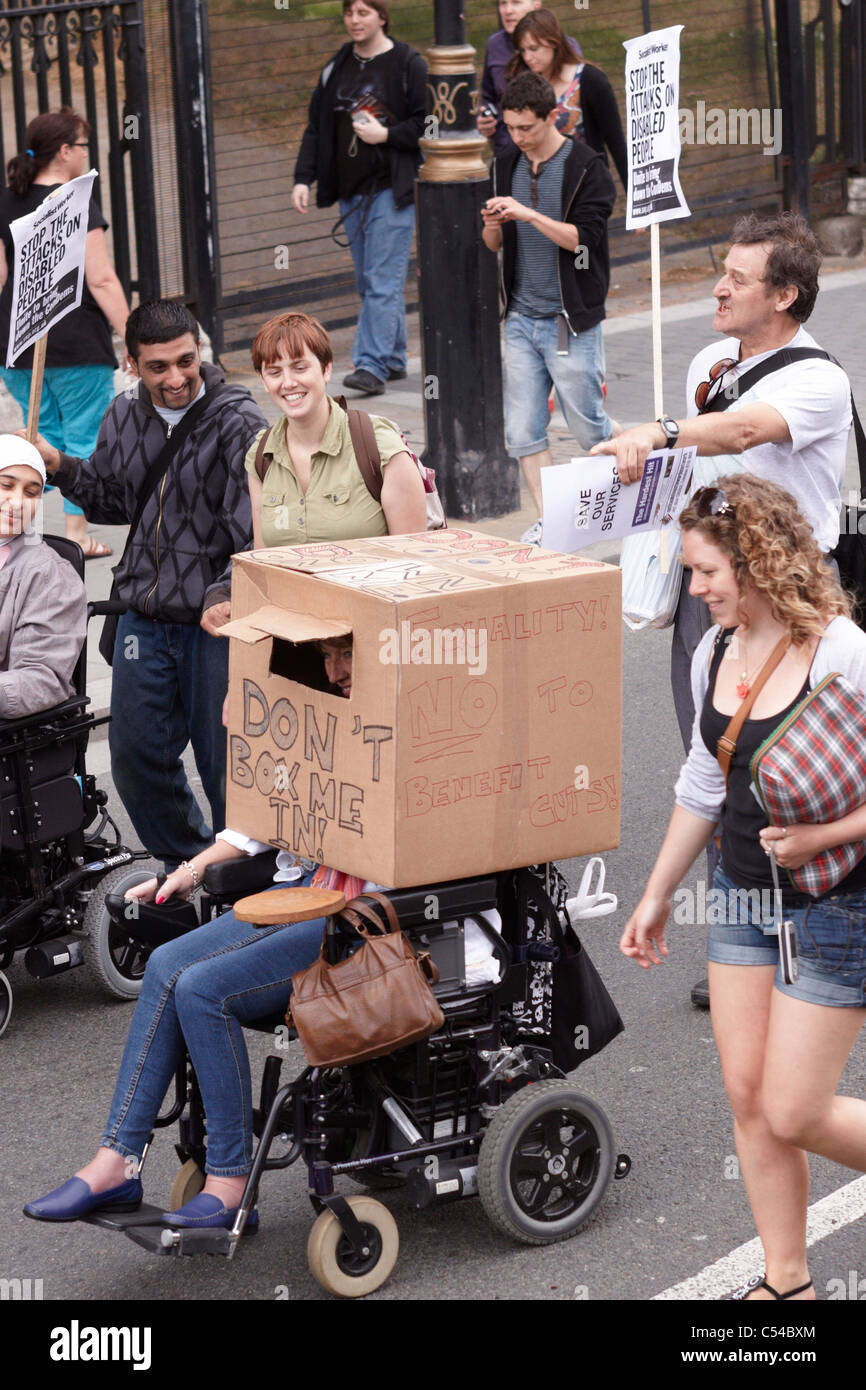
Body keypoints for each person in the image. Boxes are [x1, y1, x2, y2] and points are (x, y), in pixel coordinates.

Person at [590, 213, 852, 1005]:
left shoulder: (818, 381)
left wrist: (661, 429)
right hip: (715, 588)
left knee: (797, 768)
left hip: (793, 593)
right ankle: (741, 939)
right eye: (722, 273)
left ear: (785, 294)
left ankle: (821, 924)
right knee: (714, 758)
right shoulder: (710, 362)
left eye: (737, 279)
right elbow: (700, 454)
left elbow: (738, 433)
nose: (717, 289)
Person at [621, 474, 866, 1301]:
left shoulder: (840, 651)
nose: (694, 589)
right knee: (749, 1096)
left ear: (756, 564)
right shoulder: (714, 653)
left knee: (796, 1109)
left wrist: (821, 838)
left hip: (837, 902)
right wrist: (658, 893)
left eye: (706, 572)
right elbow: (703, 781)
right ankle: (788, 1284)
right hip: (740, 897)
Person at [22, 638, 359, 1232]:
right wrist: (189, 871)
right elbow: (262, 823)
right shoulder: (322, 717)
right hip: (297, 892)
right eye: (327, 655)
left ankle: (229, 1180)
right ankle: (118, 1161)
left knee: (202, 989)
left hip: (355, 914)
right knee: (163, 964)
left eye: (347, 654)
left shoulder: (395, 736)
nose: (335, 671)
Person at [25, 300, 267, 871]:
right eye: (158, 366)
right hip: (143, 617)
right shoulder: (122, 412)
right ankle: (189, 869)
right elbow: (113, 500)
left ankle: (245, 885)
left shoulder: (240, 421)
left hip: (215, 625)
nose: (176, 377)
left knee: (227, 769)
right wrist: (58, 464)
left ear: (199, 351)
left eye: (186, 361)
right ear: (131, 364)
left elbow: (256, 534)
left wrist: (223, 593)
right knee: (136, 762)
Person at [200, 311, 426, 635]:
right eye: (274, 371)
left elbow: (414, 566)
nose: (288, 382)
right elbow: (266, 565)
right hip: (296, 635)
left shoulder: (379, 445)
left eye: (300, 367)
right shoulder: (261, 456)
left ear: (327, 368)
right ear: (263, 380)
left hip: (372, 632)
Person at [481, 71, 617, 543]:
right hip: (520, 317)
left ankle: (642, 460)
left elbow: (583, 239)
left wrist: (528, 213)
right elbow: (493, 243)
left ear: (553, 116)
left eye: (526, 128)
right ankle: (552, 524)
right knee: (522, 429)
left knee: (588, 426)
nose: (516, 137)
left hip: (565, 319)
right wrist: (494, 225)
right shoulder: (503, 164)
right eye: (510, 127)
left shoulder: (586, 166)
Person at [0, 107, 130, 557]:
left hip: (15, 344)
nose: (85, 155)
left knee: (40, 436)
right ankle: (75, 534)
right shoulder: (75, 201)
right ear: (65, 151)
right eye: (83, 146)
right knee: (83, 438)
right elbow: (101, 278)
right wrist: (133, 338)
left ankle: (23, 528)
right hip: (77, 345)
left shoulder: (7, 199)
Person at [292, 0, 426, 398]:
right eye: (350, 12)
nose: (355, 20)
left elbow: (430, 123)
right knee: (370, 282)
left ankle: (370, 365)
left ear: (382, 17)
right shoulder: (337, 67)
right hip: (351, 193)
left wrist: (387, 136)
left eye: (364, 12)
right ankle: (394, 356)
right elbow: (316, 128)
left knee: (382, 280)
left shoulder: (408, 64)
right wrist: (303, 179)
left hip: (392, 191)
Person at [0, 434, 86, 718]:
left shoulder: (49, 575)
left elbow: (42, 677)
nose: (17, 501)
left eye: (31, 492)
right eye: (6, 485)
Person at [506, 9, 627, 192]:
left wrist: (635, 201)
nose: (527, 57)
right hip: (539, 189)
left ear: (553, 42)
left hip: (586, 187)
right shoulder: (524, 84)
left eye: (534, 48)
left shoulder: (590, 80)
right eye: (522, 50)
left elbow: (616, 143)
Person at [477, 0, 583, 158]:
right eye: (503, 3)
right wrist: (485, 118)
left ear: (536, 4)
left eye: (516, 2)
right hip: (506, 152)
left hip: (555, 153)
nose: (508, 11)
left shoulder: (565, 48)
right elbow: (488, 95)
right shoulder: (495, 44)